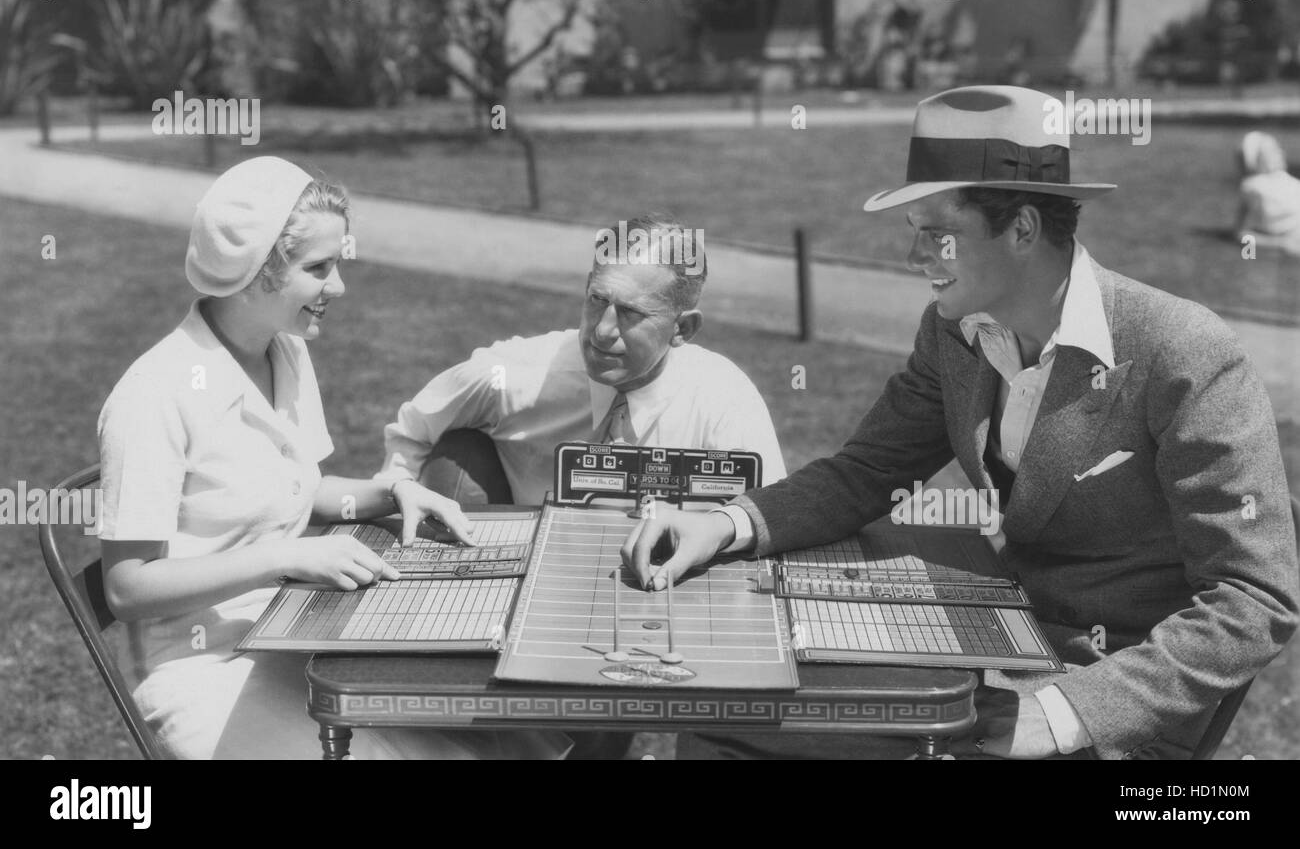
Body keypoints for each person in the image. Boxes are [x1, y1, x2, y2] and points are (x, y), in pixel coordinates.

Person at [623, 86, 1300, 761]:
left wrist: (1061, 713)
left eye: (936, 233)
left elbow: (1254, 599)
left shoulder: (1183, 352)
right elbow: (865, 471)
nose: (917, 256)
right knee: (724, 715)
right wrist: (725, 522)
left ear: (1023, 228)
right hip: (982, 659)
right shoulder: (955, 333)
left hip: (1112, 715)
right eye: (913, 232)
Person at [97, 157, 568, 760]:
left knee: (485, 735)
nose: (339, 286)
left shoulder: (285, 353)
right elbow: (128, 589)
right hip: (202, 666)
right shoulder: (154, 394)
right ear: (254, 272)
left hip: (293, 629)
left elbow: (301, 488)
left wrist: (389, 493)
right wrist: (285, 556)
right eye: (318, 268)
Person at [375, 215, 786, 506]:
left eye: (630, 313)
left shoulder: (724, 399)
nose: (602, 331)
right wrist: (399, 495)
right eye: (597, 300)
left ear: (683, 329)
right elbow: (413, 434)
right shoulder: (511, 377)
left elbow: (766, 516)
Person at [1235, 130, 1300, 256]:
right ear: (1257, 158)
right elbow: (1241, 233)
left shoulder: (1285, 179)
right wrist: (1280, 243)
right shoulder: (1254, 186)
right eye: (1272, 151)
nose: (1281, 153)